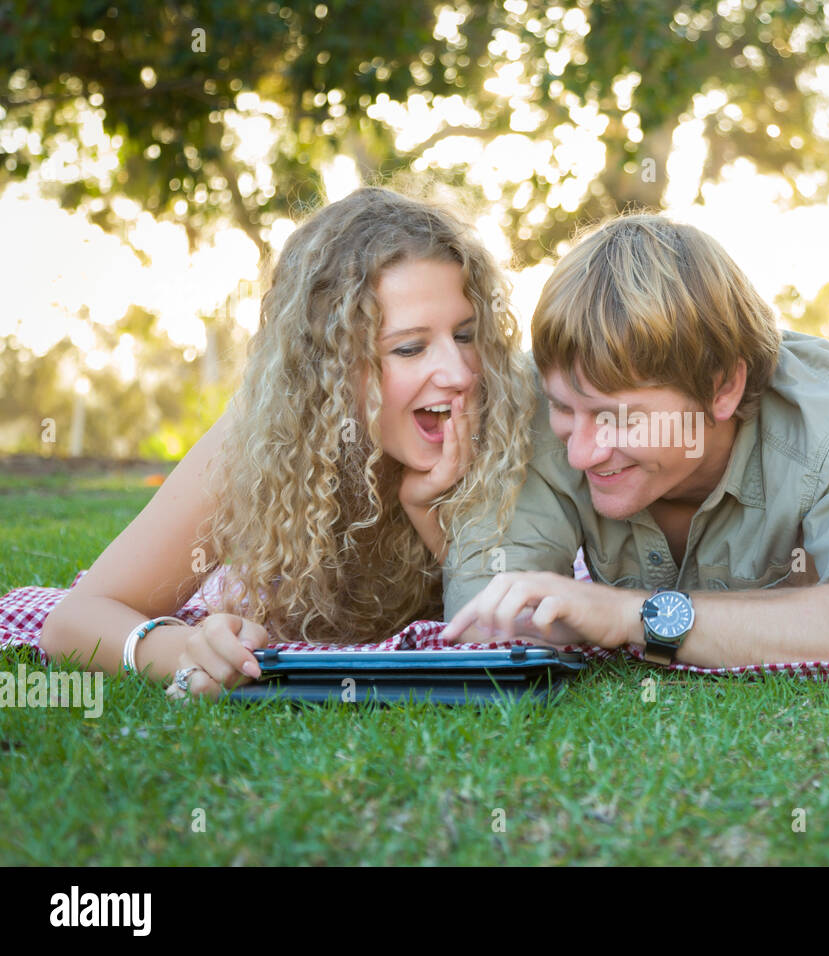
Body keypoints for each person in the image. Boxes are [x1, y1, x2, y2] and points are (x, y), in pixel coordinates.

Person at [40, 187, 534, 699]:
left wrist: (428, 513)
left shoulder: (504, 427)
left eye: (465, 335)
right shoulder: (261, 442)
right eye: (409, 348)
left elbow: (505, 629)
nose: (458, 374)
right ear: (330, 365)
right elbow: (74, 621)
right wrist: (185, 650)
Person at [440, 214, 829, 674]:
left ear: (722, 387)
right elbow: (486, 615)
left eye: (619, 419)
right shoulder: (529, 402)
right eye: (565, 410)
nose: (581, 453)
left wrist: (632, 618)